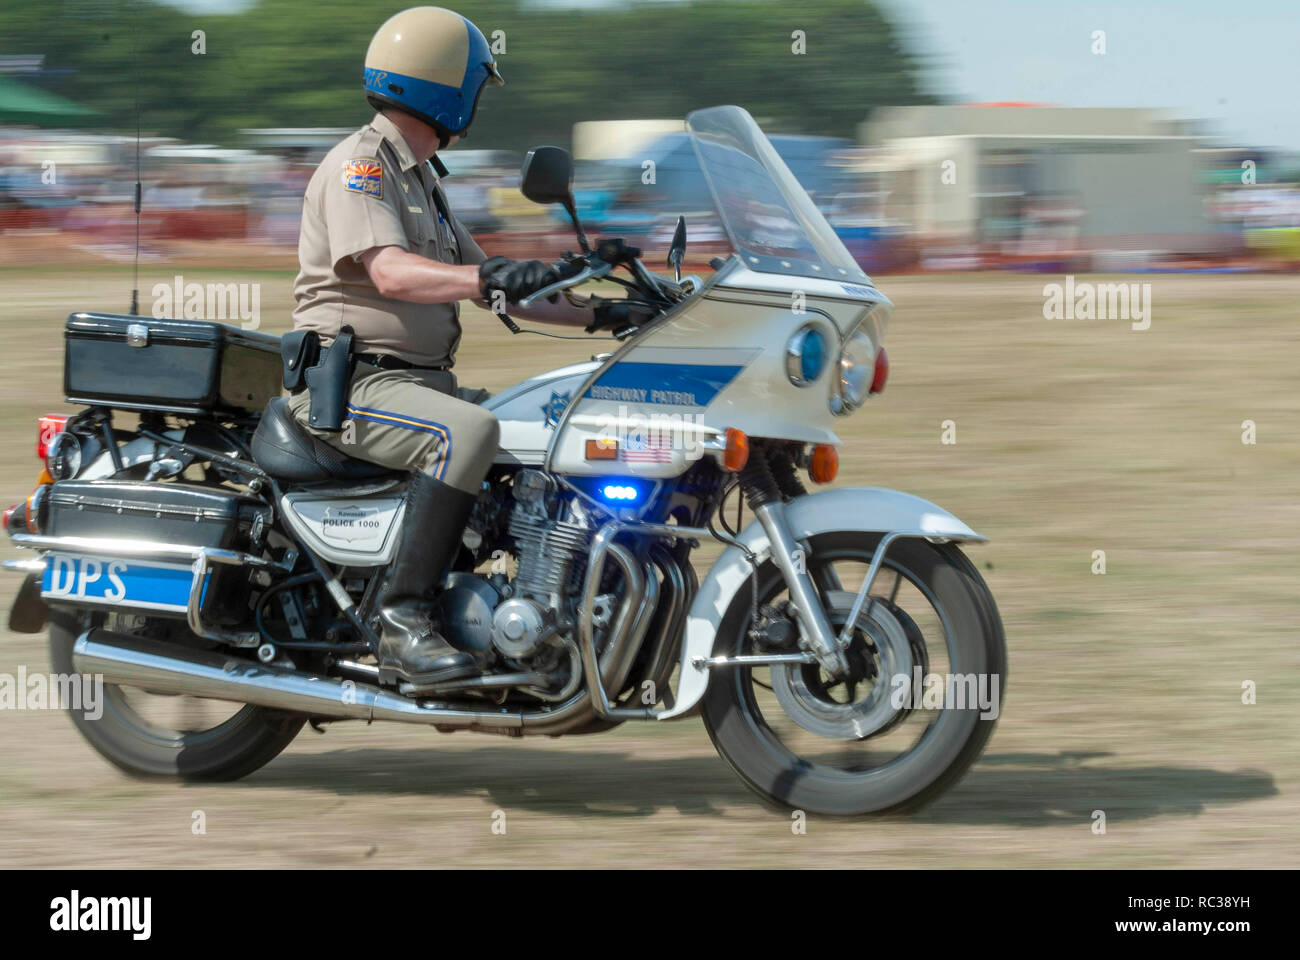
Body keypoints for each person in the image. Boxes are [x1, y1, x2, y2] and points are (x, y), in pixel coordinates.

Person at [289, 6, 597, 688]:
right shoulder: (361, 167)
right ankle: (403, 624)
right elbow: (392, 273)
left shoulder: (423, 179)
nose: (477, 103)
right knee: (468, 431)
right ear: (445, 87)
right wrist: (486, 276)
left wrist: (608, 309)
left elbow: (499, 291)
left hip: (415, 385)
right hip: (354, 389)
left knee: (542, 426)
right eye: (476, 88)